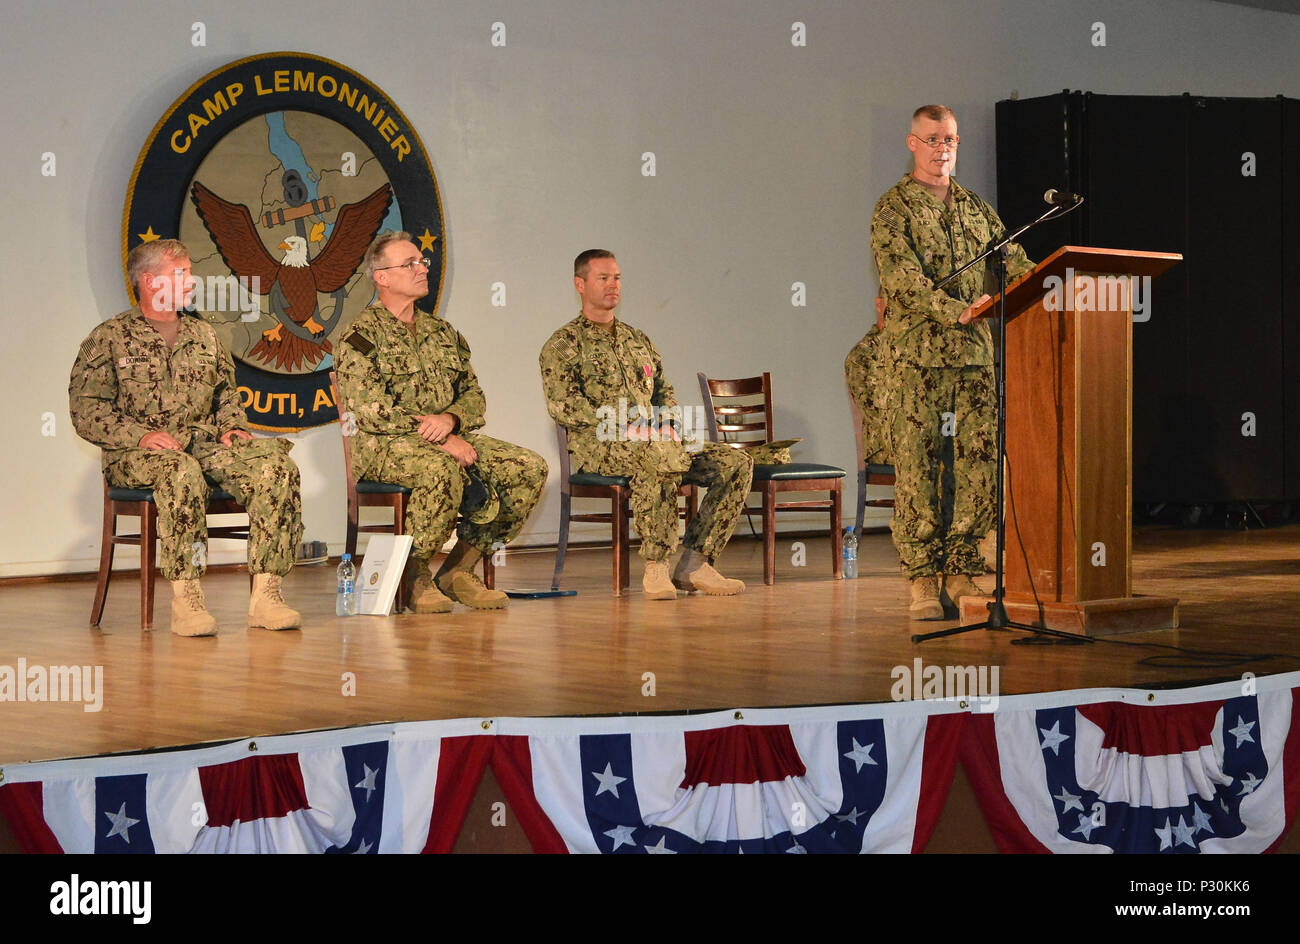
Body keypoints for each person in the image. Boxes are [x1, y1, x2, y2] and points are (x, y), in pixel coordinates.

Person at [70, 239, 303, 636]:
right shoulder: (110, 337)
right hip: (135, 455)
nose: (192, 280)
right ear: (149, 281)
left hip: (201, 443)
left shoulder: (205, 335)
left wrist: (232, 427)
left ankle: (267, 595)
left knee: (275, 466)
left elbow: (226, 395)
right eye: (181, 274)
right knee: (181, 472)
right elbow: (86, 410)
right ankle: (187, 598)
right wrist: (142, 436)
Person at [870, 105, 1034, 620]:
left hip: (974, 362)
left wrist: (1055, 281)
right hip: (918, 360)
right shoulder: (893, 208)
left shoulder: (977, 209)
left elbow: (1013, 265)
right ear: (912, 143)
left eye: (952, 139)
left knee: (974, 467)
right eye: (934, 138)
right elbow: (903, 280)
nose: (945, 148)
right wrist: (955, 311)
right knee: (921, 468)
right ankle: (922, 578)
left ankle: (961, 571)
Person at [335, 231, 547, 612]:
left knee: (528, 468)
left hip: (447, 436)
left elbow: (473, 395)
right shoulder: (361, 336)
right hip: (383, 446)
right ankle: (414, 575)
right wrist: (440, 438)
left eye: (422, 262)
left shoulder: (443, 333)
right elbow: (369, 408)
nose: (421, 270)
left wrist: (450, 419)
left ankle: (458, 570)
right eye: (409, 264)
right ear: (381, 277)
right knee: (440, 467)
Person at [539, 250, 753, 599]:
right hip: (600, 446)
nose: (613, 285)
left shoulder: (637, 340)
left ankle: (695, 564)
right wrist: (623, 427)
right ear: (580, 284)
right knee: (656, 454)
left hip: (656, 441)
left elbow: (663, 389)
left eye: (618, 277)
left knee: (734, 463)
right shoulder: (563, 345)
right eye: (603, 278)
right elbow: (564, 405)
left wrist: (667, 422)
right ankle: (656, 565)